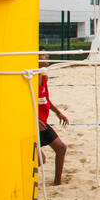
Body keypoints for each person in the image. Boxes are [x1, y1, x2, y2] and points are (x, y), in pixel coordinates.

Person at [37, 51, 69, 185]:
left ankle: (57, 183)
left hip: (42, 123)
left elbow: (45, 99)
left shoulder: (43, 77)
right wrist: (33, 119)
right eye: (43, 55)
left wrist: (58, 113)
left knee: (61, 148)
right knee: (40, 160)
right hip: (32, 124)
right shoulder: (30, 77)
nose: (47, 57)